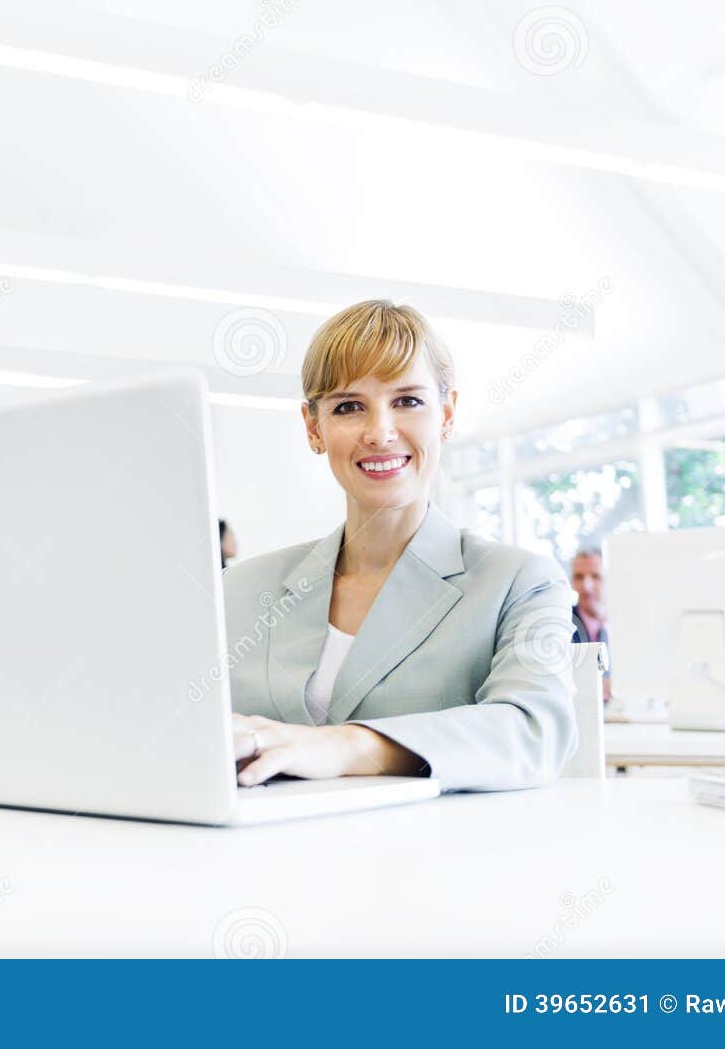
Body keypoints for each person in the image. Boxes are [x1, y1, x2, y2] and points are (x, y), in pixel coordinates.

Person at [223, 300, 577, 792]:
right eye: (349, 407)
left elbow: (535, 733)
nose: (380, 433)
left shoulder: (518, 582)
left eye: (408, 401)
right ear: (313, 427)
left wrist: (348, 745)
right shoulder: (238, 590)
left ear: (447, 414)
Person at [568, 546, 612, 702]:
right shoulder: (562, 625)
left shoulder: (623, 625)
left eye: (595, 576)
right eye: (579, 577)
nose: (586, 586)